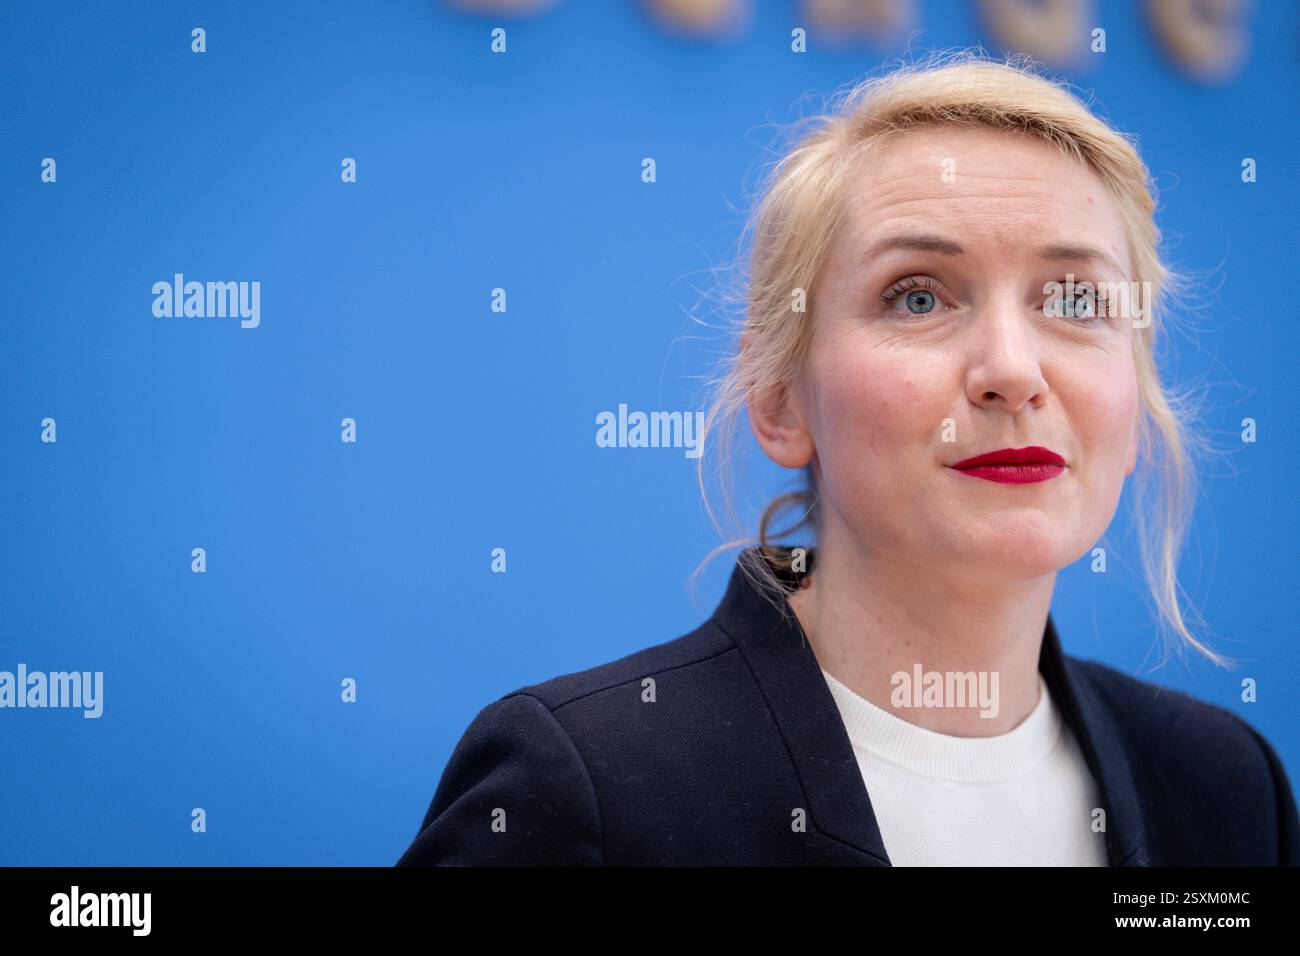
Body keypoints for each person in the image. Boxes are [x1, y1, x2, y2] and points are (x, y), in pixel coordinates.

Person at [396, 52, 1299, 867]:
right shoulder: (582, 785)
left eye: (1073, 298)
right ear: (781, 401)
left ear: (1136, 403)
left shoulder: (1225, 786)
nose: (1013, 373)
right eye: (916, 298)